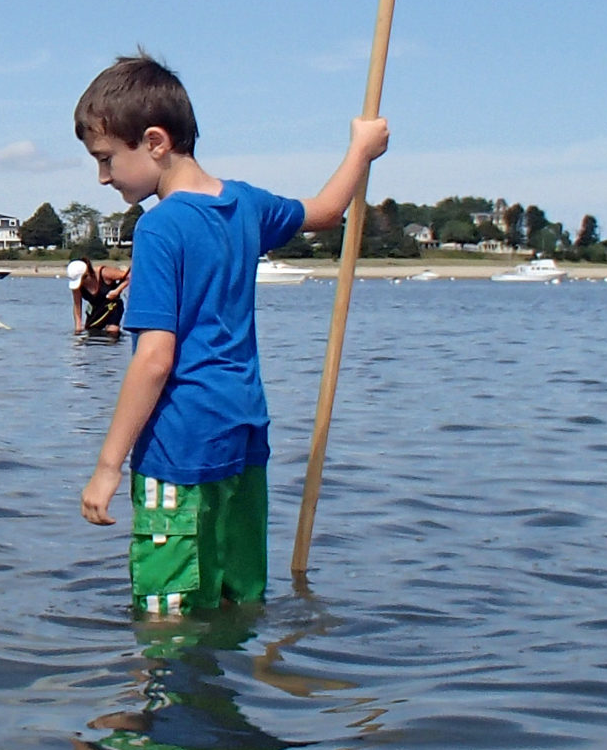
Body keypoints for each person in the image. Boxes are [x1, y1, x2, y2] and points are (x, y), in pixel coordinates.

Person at [72, 53, 388, 616]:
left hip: (179, 447)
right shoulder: (244, 204)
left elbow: (154, 360)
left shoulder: (160, 227)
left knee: (166, 618)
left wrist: (107, 466)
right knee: (238, 601)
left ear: (154, 142)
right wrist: (360, 151)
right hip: (245, 434)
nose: (102, 177)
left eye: (106, 159)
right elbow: (325, 212)